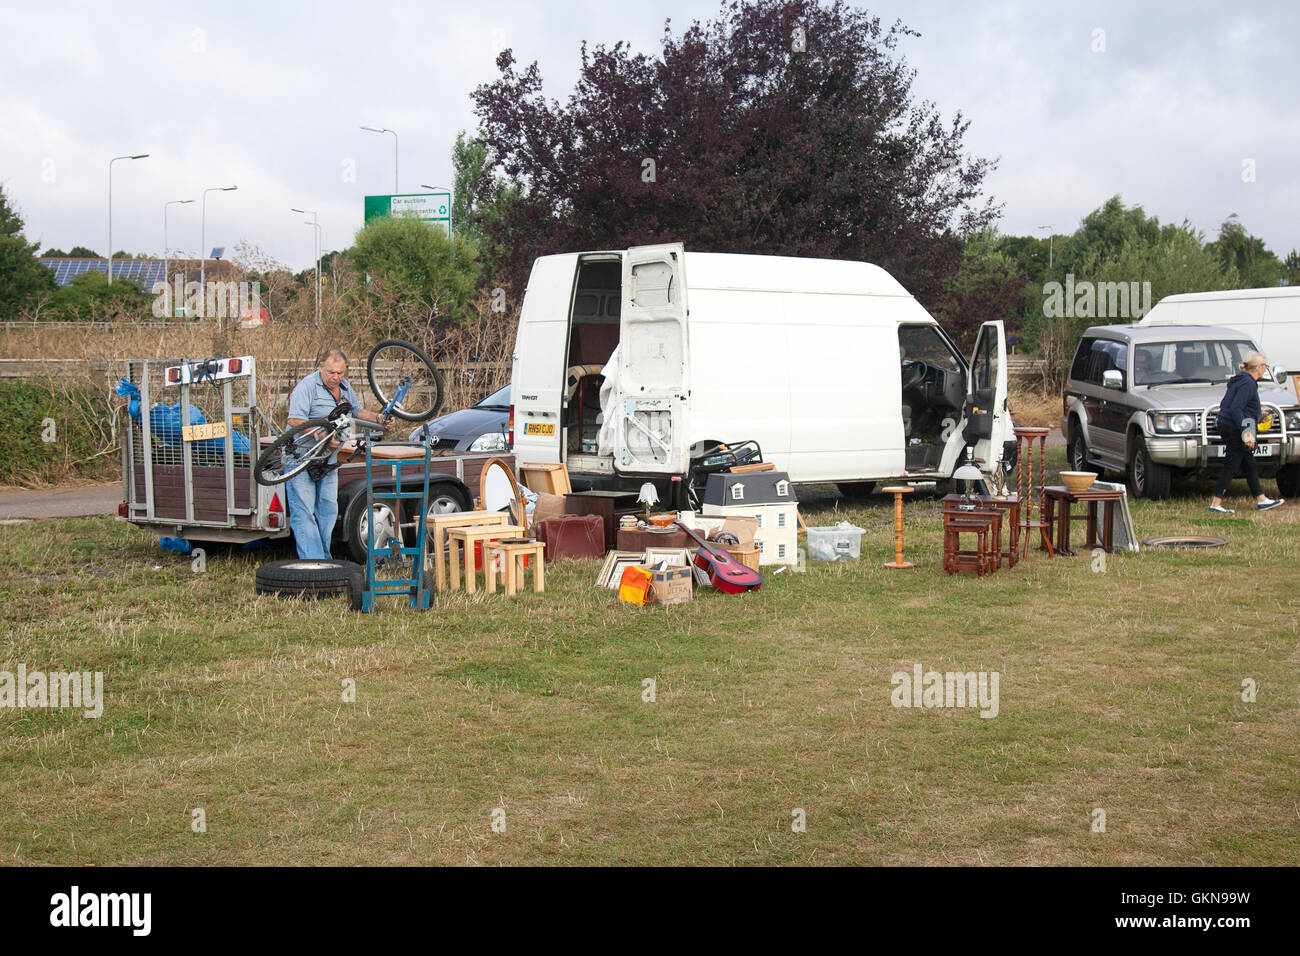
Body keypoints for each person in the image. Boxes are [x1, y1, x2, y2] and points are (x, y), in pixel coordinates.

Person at [285, 349, 389, 558]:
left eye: (340, 373)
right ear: (320, 367)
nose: (336, 377)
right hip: (301, 457)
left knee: (328, 510)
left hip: (328, 460)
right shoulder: (306, 387)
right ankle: (313, 562)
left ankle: (323, 557)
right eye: (331, 372)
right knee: (304, 512)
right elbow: (294, 420)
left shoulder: (344, 387)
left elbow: (357, 411)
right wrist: (320, 435)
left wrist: (378, 418)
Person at [1210, 351, 1284, 514]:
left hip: (1229, 424)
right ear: (1258, 367)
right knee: (1231, 464)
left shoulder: (1240, 380)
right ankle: (1216, 503)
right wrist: (1246, 432)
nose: (1265, 369)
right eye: (1264, 366)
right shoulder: (1248, 384)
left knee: (1248, 462)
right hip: (1236, 428)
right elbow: (1236, 408)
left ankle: (1261, 498)